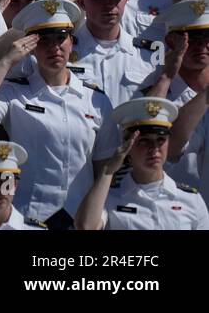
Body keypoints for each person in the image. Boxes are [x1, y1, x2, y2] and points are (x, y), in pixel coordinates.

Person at [0, 0, 122, 227]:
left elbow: (104, 168)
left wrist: (99, 215)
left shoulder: (96, 100)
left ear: (71, 42)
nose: (54, 48)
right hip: (29, 218)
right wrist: (6, 61)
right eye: (44, 41)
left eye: (60, 38)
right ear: (32, 47)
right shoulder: (15, 92)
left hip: (81, 219)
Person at [77, 96, 209, 229]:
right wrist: (107, 171)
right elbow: (86, 226)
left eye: (160, 140)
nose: (154, 149)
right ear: (127, 145)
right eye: (144, 141)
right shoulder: (110, 197)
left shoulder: (191, 200)